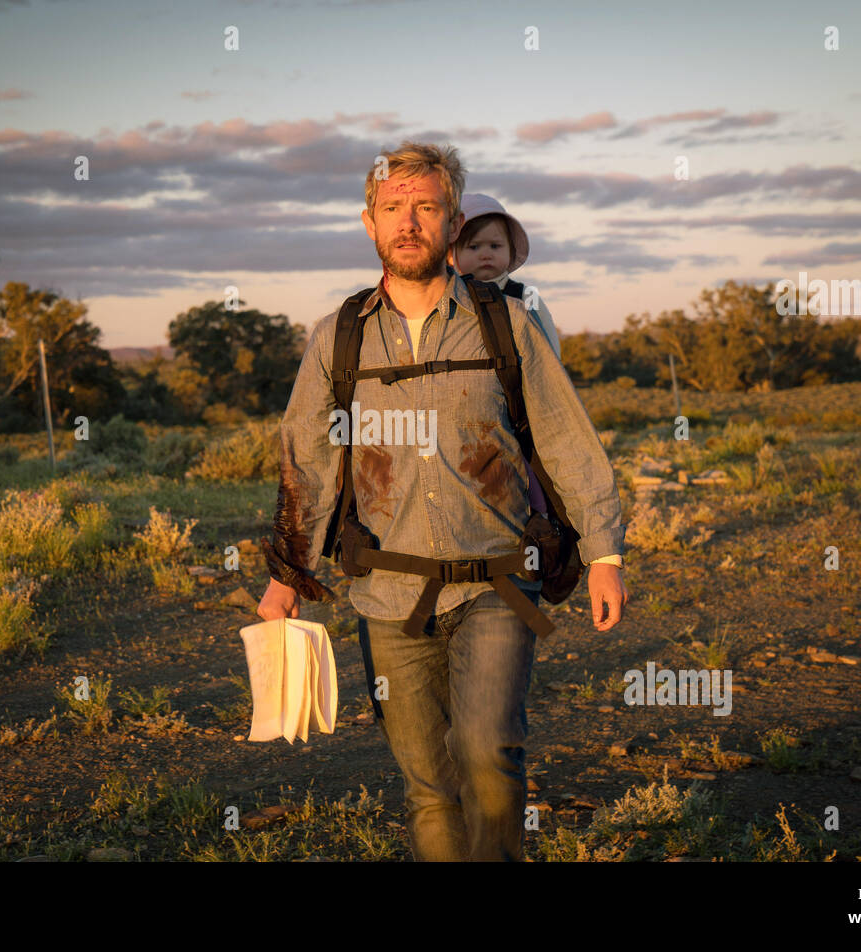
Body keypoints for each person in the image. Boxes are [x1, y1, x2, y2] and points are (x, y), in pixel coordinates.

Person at [257, 141, 629, 862]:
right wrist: (285, 575)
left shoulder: (507, 326)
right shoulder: (339, 339)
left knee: (490, 754)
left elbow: (566, 441)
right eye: (392, 207)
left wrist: (605, 552)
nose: (408, 221)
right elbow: (309, 463)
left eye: (425, 206)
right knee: (427, 782)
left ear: (453, 222)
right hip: (387, 591)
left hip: (496, 581)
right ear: (369, 222)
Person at [449, 193, 561, 515]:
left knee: (530, 482)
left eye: (495, 247)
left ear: (510, 251)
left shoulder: (525, 297)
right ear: (452, 253)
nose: (486, 255)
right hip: (467, 413)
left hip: (521, 411)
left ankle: (541, 531)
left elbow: (550, 352)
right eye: (473, 247)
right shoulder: (451, 303)